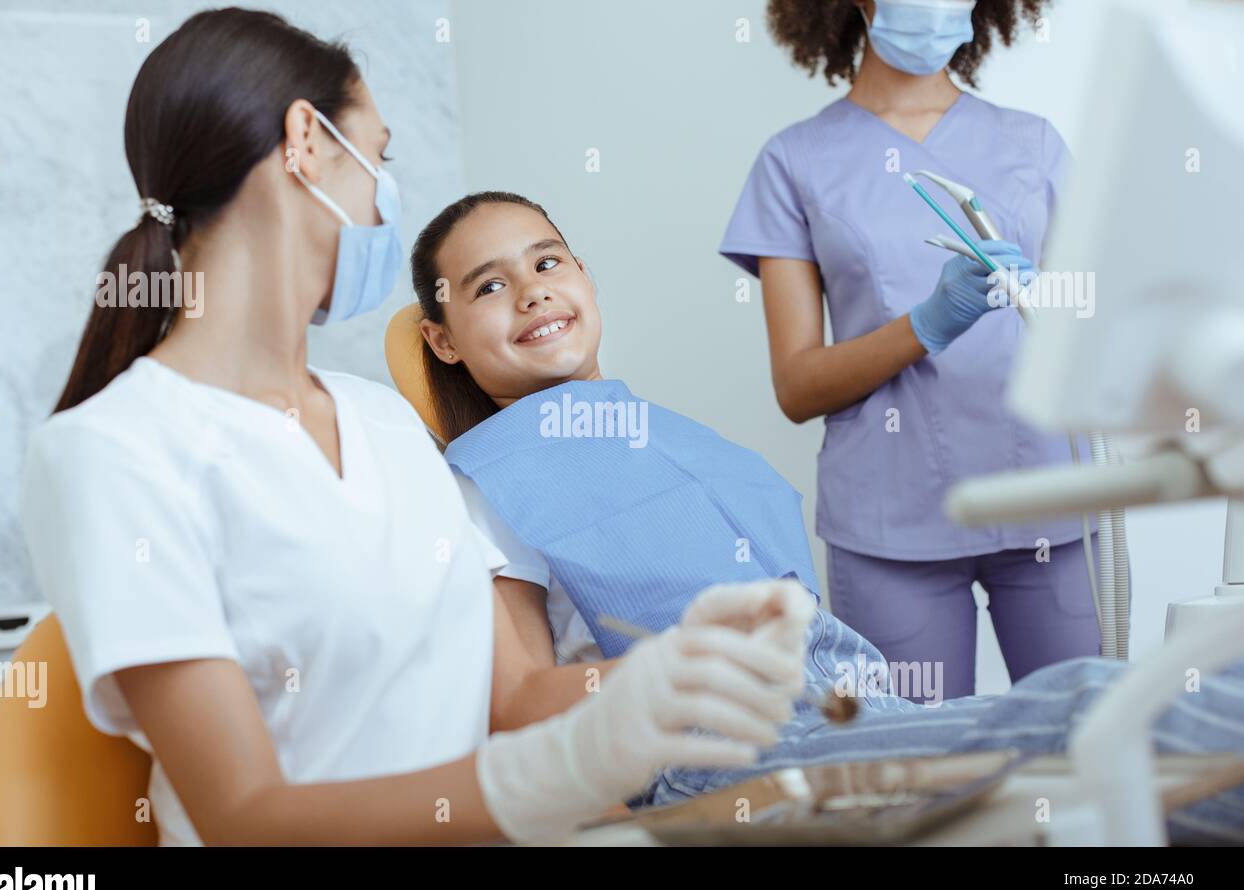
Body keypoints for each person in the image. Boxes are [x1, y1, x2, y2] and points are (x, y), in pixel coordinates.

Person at [18, 8, 812, 846]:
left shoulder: (384, 422)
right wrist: (562, 770)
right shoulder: (110, 454)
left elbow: (508, 703)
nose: (384, 196)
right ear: (306, 142)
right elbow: (245, 817)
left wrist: (668, 721)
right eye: (380, 156)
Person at [410, 189, 1244, 842]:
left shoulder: (678, 442)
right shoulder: (482, 480)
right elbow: (515, 701)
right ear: (443, 340)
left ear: (584, 277)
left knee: (1127, 706)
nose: (531, 291)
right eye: (489, 285)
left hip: (852, 707)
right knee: (1090, 712)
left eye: (547, 262)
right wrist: (664, 676)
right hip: (729, 753)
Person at [719, 0, 1098, 701]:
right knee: (919, 774)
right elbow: (797, 386)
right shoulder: (794, 162)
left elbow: (1099, 328)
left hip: (1047, 496)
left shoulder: (1034, 145)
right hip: (891, 526)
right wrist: (925, 325)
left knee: (1083, 746)